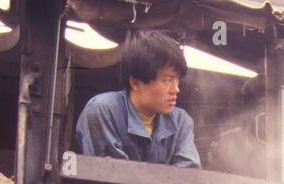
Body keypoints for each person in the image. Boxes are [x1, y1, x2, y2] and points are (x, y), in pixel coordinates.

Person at [75, 30, 200, 168]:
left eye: (177, 80)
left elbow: (188, 177)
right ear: (135, 83)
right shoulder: (102, 110)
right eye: (167, 80)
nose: (176, 89)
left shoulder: (181, 122)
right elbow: (112, 177)